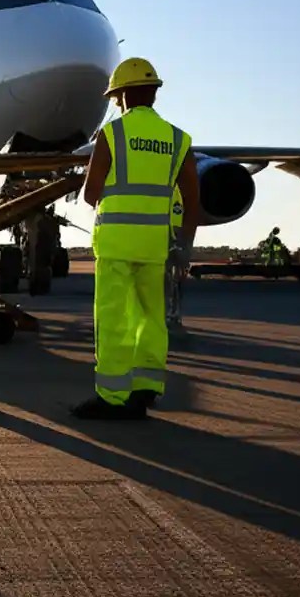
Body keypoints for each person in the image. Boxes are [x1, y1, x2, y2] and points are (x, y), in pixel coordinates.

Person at [75, 57, 199, 420]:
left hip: (116, 244)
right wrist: (184, 247)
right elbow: (193, 200)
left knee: (114, 320)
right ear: (154, 95)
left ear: (121, 97)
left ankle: (111, 397)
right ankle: (146, 389)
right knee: (150, 318)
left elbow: (90, 192)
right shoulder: (178, 139)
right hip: (156, 246)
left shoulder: (112, 135)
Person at [166, 185, 191, 330]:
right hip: (173, 239)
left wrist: (176, 242)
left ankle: (173, 314)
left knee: (173, 280)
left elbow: (175, 219)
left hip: (171, 240)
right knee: (173, 280)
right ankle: (173, 314)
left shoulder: (174, 191)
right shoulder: (177, 191)